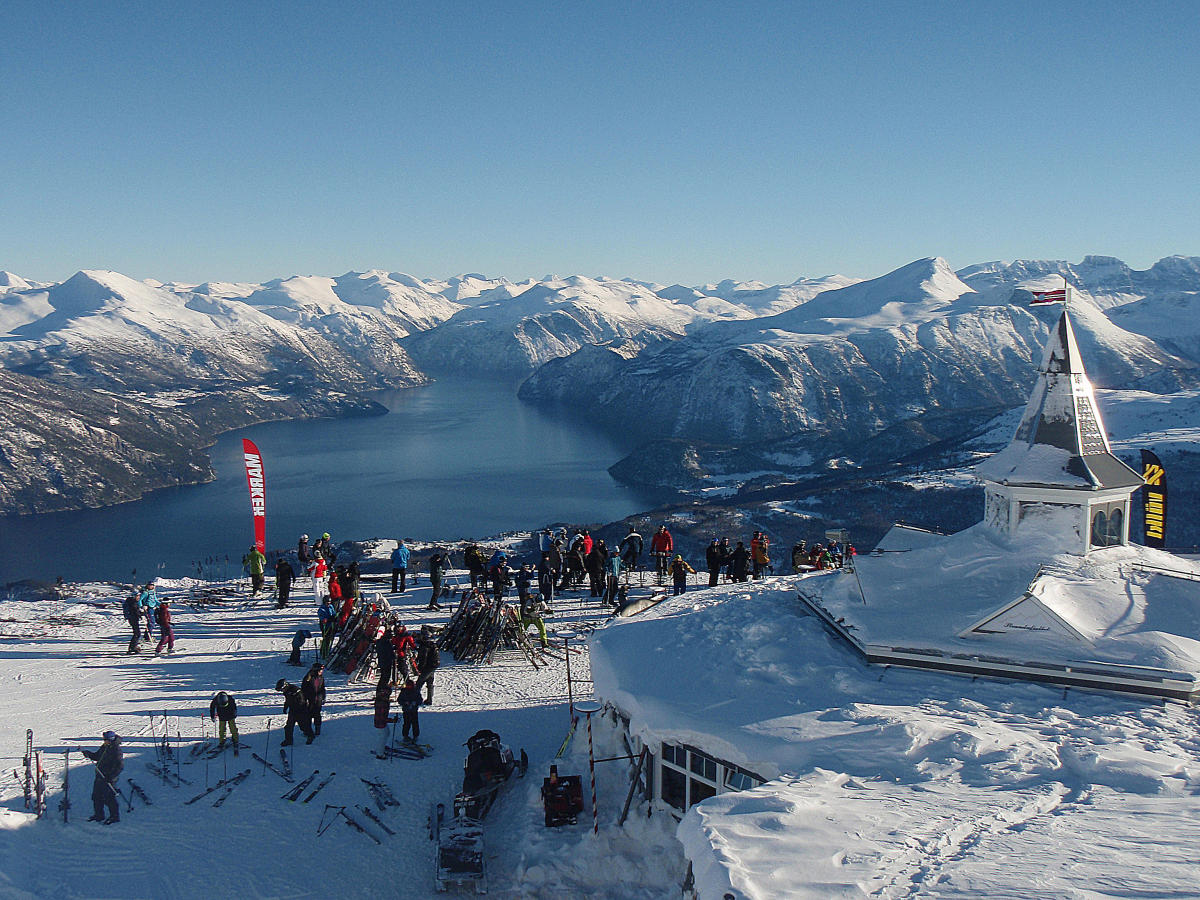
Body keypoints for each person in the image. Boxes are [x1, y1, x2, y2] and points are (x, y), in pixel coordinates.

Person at [82, 731, 123, 824]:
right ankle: (99, 815)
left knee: (109, 798)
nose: (104, 742)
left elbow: (119, 766)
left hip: (108, 778)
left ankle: (114, 817)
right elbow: (97, 756)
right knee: (96, 796)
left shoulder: (116, 750)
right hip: (100, 775)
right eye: (104, 740)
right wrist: (89, 754)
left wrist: (111, 777)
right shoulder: (105, 747)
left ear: (111, 740)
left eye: (106, 740)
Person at [275, 679, 314, 745]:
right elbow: (288, 700)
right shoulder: (287, 691)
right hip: (293, 710)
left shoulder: (296, 690)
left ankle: (310, 736)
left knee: (304, 725)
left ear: (285, 686)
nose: (282, 691)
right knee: (288, 727)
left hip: (301, 710)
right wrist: (285, 708)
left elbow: (302, 701)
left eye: (282, 689)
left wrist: (298, 710)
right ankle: (288, 740)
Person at [415, 625, 440, 704]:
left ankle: (417, 699)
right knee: (430, 683)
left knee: (419, 683)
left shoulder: (425, 647)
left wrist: (419, 668)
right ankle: (429, 699)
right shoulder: (433, 645)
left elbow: (423, 658)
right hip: (433, 666)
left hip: (427, 667)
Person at [302, 662, 326, 738]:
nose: (321, 672)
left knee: (317, 715)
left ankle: (317, 729)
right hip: (310, 700)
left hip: (318, 700)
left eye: (322, 671)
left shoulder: (321, 678)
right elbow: (303, 689)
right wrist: (305, 700)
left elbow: (322, 688)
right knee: (307, 716)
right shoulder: (308, 678)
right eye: (320, 670)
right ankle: (307, 731)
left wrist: (323, 697)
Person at [373, 680, 395, 759]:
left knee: (387, 733)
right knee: (383, 736)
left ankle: (382, 747)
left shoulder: (381, 698)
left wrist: (390, 685)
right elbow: (383, 718)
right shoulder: (383, 703)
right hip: (380, 723)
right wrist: (392, 720)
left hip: (380, 722)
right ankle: (380, 754)